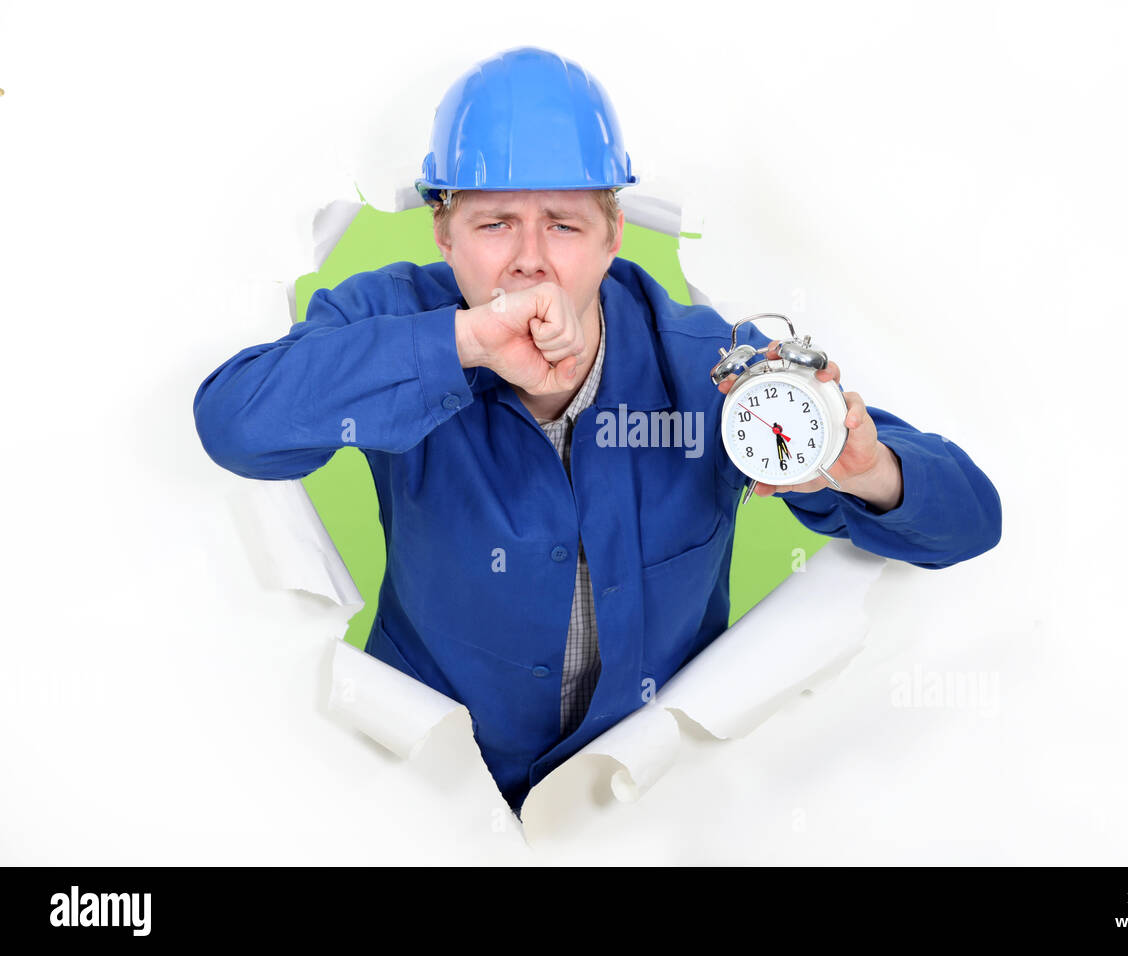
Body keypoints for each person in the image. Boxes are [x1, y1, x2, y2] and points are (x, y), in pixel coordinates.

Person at [193, 46, 1001, 815]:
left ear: (615, 235)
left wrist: (867, 470)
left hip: (642, 811)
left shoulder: (710, 365)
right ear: (443, 233)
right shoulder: (395, 318)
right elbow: (234, 421)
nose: (530, 261)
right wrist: (465, 344)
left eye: (566, 226)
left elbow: (971, 519)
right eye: (494, 223)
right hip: (421, 794)